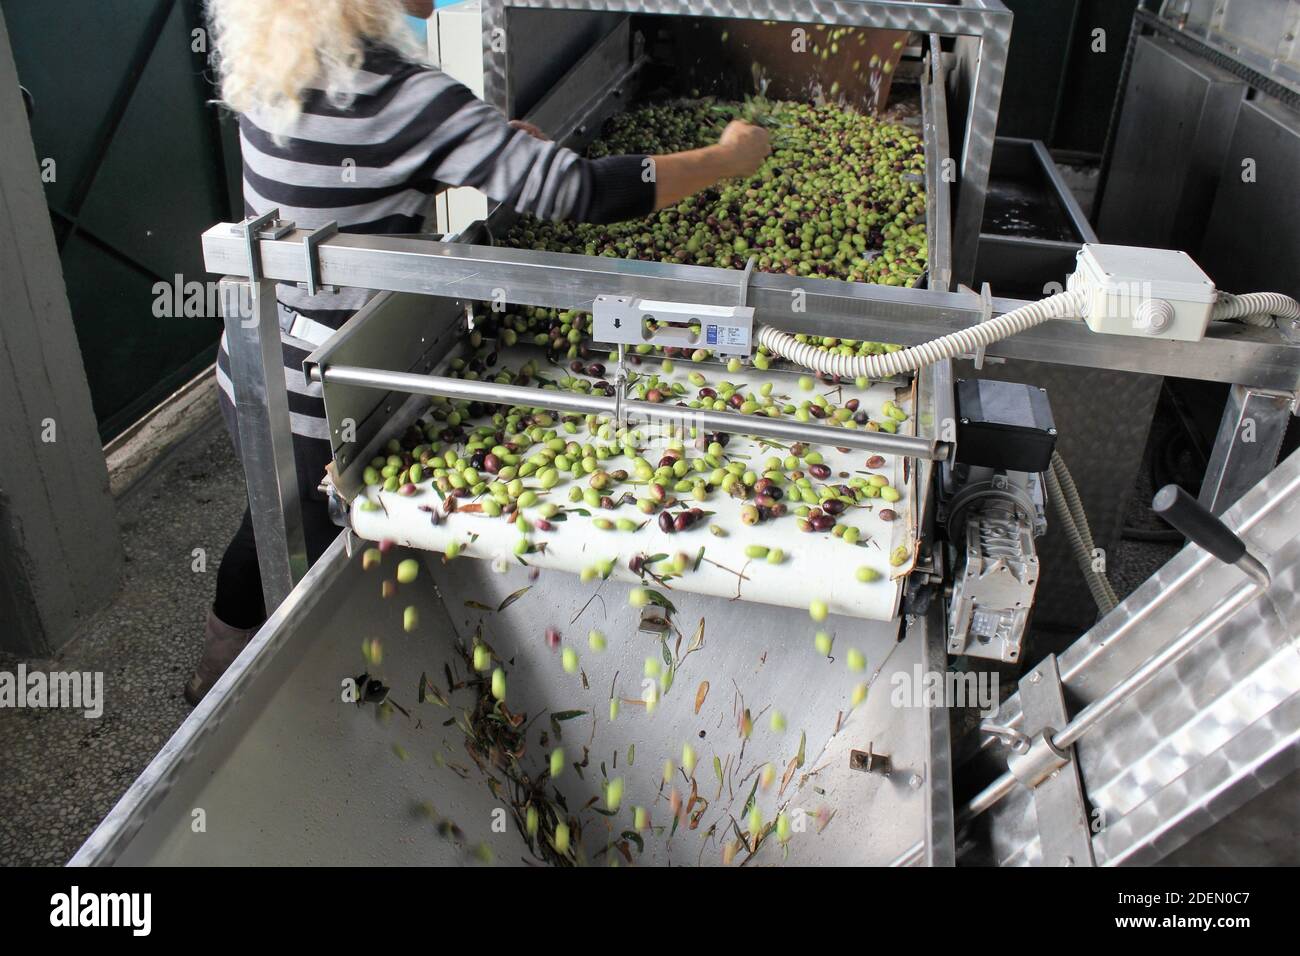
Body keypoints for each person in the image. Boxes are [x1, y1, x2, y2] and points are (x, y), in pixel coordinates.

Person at [186, 0, 771, 703]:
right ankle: (275, 707)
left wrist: (457, 158)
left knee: (267, 515)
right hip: (329, 395)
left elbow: (341, 179)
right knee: (316, 567)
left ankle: (217, 666)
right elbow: (578, 191)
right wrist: (728, 158)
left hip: (253, 364)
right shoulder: (402, 93)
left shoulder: (288, 60)